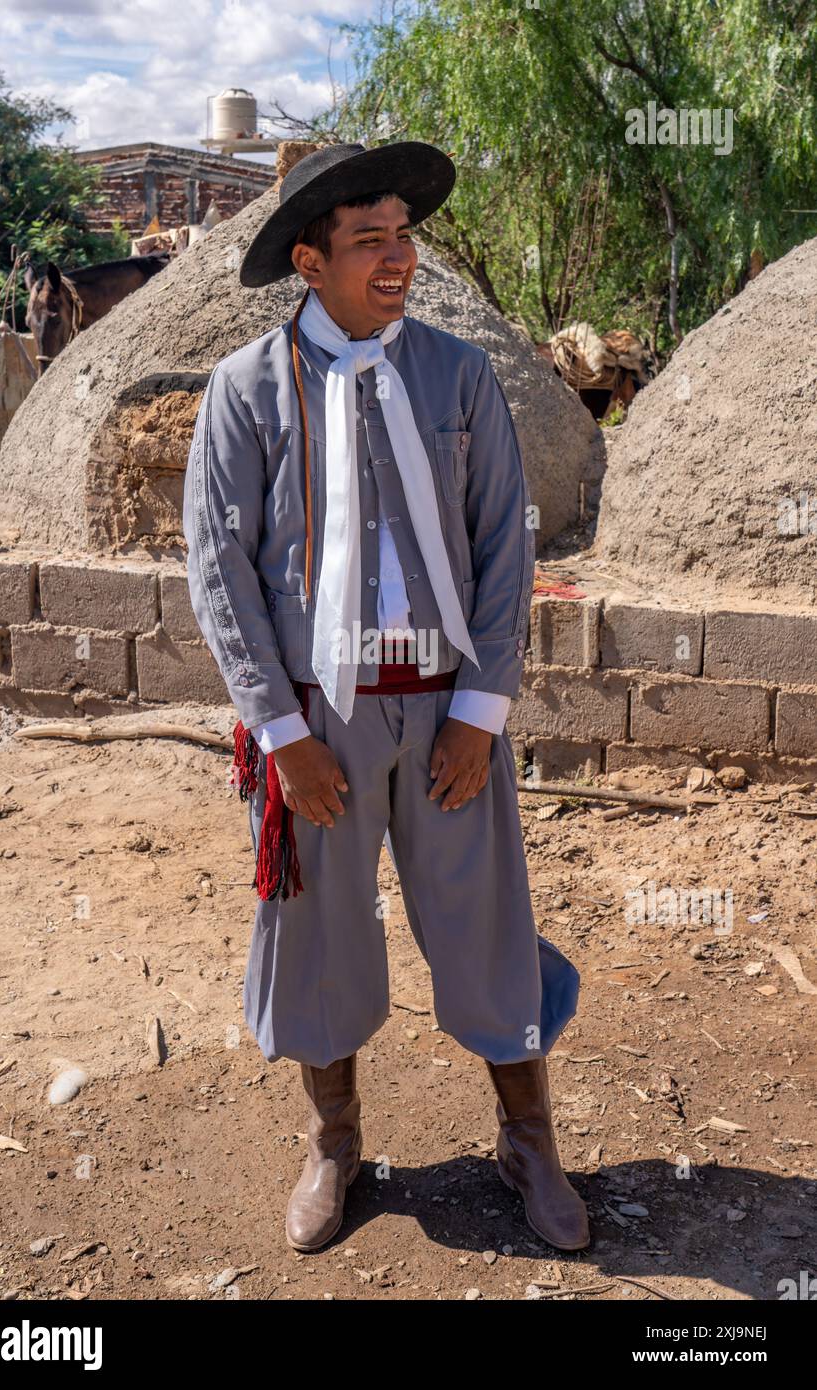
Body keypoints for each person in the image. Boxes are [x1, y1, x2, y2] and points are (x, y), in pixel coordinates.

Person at [183, 140, 589, 1254]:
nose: (399, 257)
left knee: (486, 921)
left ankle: (527, 1140)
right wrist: (280, 732)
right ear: (309, 261)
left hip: (447, 709)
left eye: (404, 235)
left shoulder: (456, 378)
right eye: (371, 240)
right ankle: (333, 1142)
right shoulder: (248, 391)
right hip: (319, 721)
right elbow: (220, 571)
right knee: (318, 933)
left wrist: (480, 709)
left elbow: (506, 543)